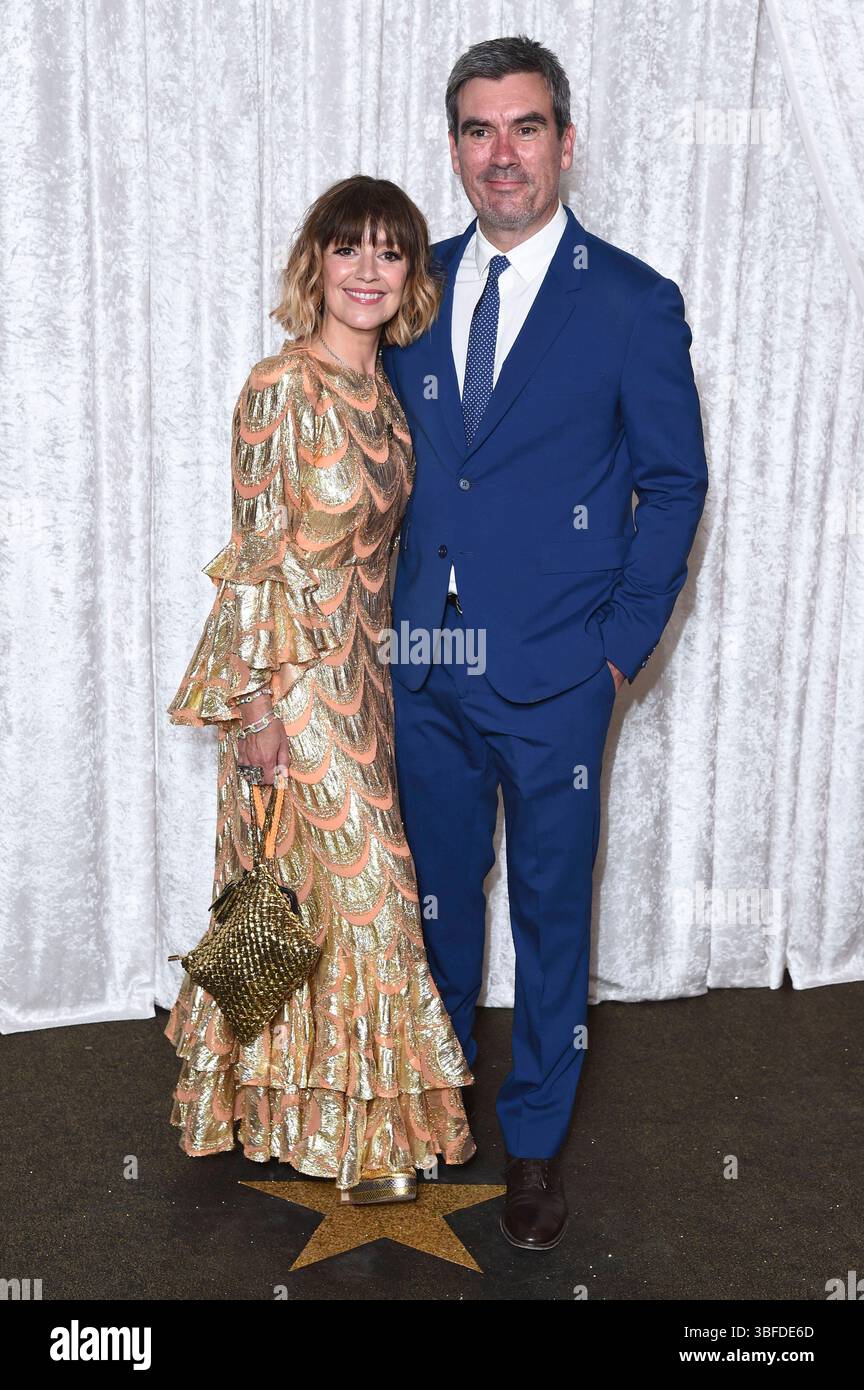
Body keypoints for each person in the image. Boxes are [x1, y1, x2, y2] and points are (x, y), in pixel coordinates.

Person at [381, 35, 709, 1248]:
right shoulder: (411, 287)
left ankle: (533, 1148)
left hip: (562, 674)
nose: (501, 153)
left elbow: (674, 485)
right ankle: (437, 1105)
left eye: (525, 128)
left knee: (552, 916)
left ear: (566, 143)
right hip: (429, 669)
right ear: (456, 147)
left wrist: (620, 650)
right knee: (433, 907)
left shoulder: (630, 300)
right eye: (478, 130)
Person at [164, 175, 476, 1205]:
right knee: (372, 892)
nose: (369, 269)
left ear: (410, 274)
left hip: (363, 682)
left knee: (318, 905)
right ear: (318, 261)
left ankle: (291, 1116)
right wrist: (254, 708)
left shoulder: (387, 396)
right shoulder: (278, 385)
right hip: (289, 684)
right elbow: (255, 553)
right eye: (350, 248)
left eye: (391, 251)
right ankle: (365, 1133)